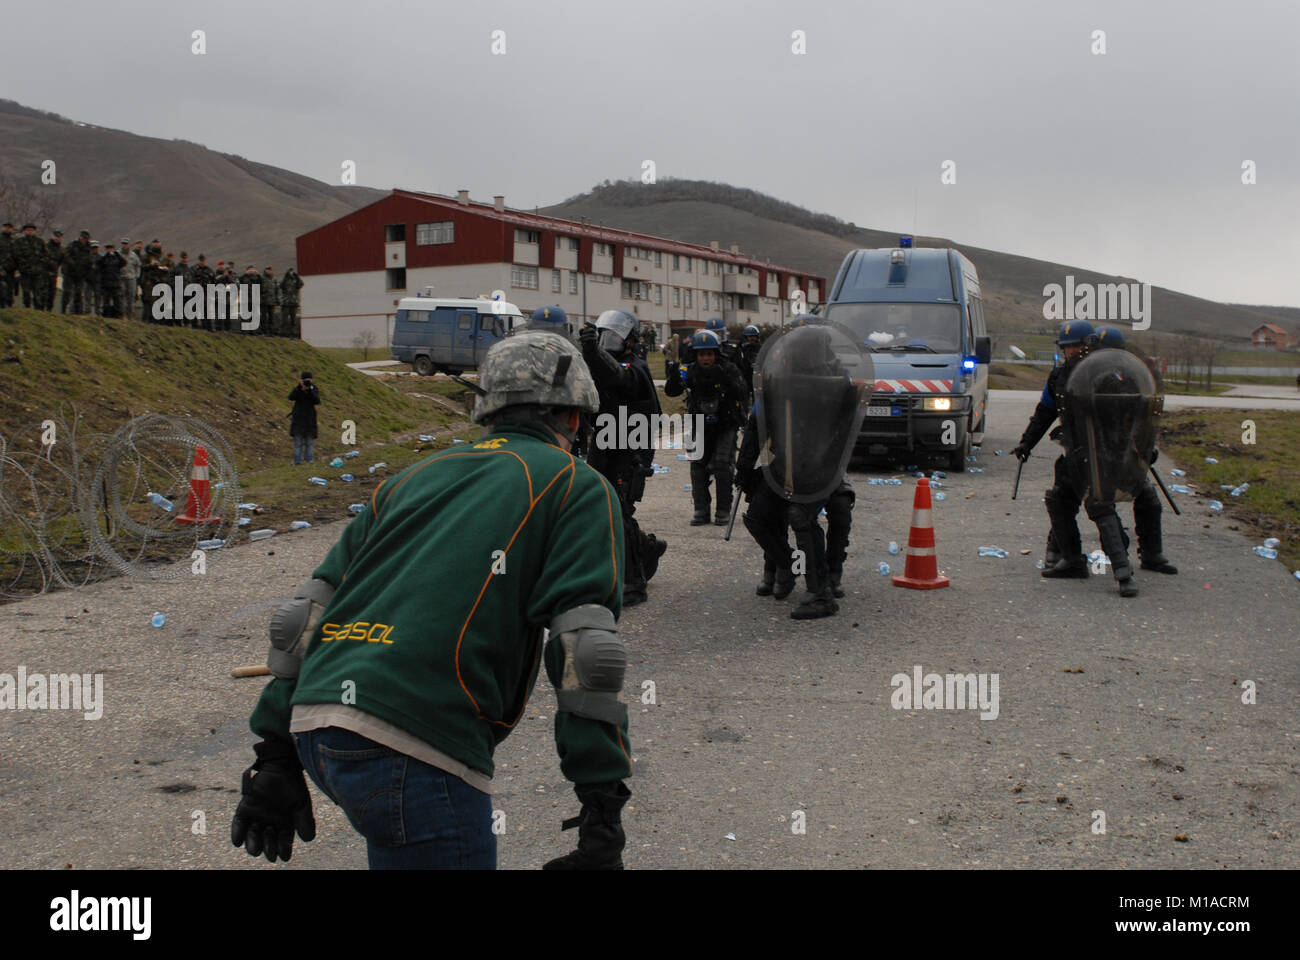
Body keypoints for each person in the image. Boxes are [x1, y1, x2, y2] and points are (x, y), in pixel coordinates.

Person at [231, 332, 631, 869]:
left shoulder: (410, 477)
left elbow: (303, 618)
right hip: (417, 745)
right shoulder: (575, 486)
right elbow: (587, 653)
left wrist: (274, 756)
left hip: (319, 731)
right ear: (575, 418)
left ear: (485, 410)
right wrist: (601, 814)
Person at [736, 320, 869, 619]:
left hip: (821, 464)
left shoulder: (837, 380)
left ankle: (823, 588)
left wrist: (830, 465)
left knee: (808, 514)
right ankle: (788, 564)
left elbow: (845, 429)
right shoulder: (777, 380)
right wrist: (745, 467)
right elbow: (758, 425)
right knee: (757, 517)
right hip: (784, 460)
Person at [579, 309, 667, 606]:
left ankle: (633, 582)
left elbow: (618, 376)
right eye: (604, 335)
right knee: (598, 511)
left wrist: (592, 352)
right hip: (603, 448)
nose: (608, 341)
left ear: (631, 341)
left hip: (630, 450)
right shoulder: (596, 368)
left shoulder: (637, 368)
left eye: (614, 336)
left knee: (619, 511)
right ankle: (646, 548)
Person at [1093, 326, 1177, 576]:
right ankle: (1064, 553)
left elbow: (1144, 414)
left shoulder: (1129, 376)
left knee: (1148, 499)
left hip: (1124, 450)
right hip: (1093, 450)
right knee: (1076, 498)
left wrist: (1147, 447)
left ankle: (1152, 554)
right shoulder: (1084, 374)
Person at [1013, 320, 1095, 578]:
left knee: (1106, 505)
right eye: (1067, 347)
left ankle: (1144, 554)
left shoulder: (1104, 372)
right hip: (1075, 450)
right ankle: (1061, 555)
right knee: (1061, 501)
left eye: (1077, 346)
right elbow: (1045, 412)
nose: (1072, 352)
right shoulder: (1059, 375)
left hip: (1106, 451)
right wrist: (1027, 442)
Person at [664, 329, 748, 525]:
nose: (706, 358)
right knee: (697, 466)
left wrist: (726, 380)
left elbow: (743, 391)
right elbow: (672, 392)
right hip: (700, 424)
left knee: (722, 464)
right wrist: (674, 376)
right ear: (696, 355)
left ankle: (723, 511)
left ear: (716, 354)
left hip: (726, 423)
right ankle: (701, 510)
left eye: (709, 354)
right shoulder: (690, 370)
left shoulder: (728, 368)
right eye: (702, 354)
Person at [289, 371, 320, 465]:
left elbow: (317, 401)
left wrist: (309, 390)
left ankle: (309, 462)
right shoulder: (298, 388)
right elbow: (291, 397)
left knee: (309, 443)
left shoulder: (313, 388)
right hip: (298, 421)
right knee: (298, 443)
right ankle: (297, 462)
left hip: (310, 421)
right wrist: (299, 388)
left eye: (309, 380)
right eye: (305, 380)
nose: (307, 382)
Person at [280, 266, 303, 338]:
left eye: (292, 271)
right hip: (286, 302)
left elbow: (301, 284)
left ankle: (293, 333)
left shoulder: (296, 280)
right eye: (290, 271)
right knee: (284, 319)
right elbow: (281, 286)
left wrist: (297, 277)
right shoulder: (285, 280)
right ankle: (283, 333)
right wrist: (285, 277)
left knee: (293, 320)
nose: (291, 272)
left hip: (294, 302)